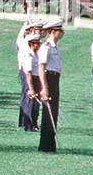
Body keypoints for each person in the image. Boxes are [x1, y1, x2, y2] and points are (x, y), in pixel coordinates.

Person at [37, 18, 64, 153]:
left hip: (55, 79)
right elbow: (41, 68)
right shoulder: (45, 47)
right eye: (60, 30)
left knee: (53, 112)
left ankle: (50, 144)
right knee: (48, 113)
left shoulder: (55, 47)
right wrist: (45, 87)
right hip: (49, 79)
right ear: (53, 32)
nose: (62, 33)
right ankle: (45, 145)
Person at [18, 32, 42, 132]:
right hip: (31, 80)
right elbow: (28, 73)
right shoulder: (29, 56)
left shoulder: (36, 55)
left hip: (37, 79)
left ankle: (34, 124)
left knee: (36, 105)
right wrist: (31, 88)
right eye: (37, 43)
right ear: (31, 44)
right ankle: (28, 125)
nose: (39, 45)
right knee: (30, 103)